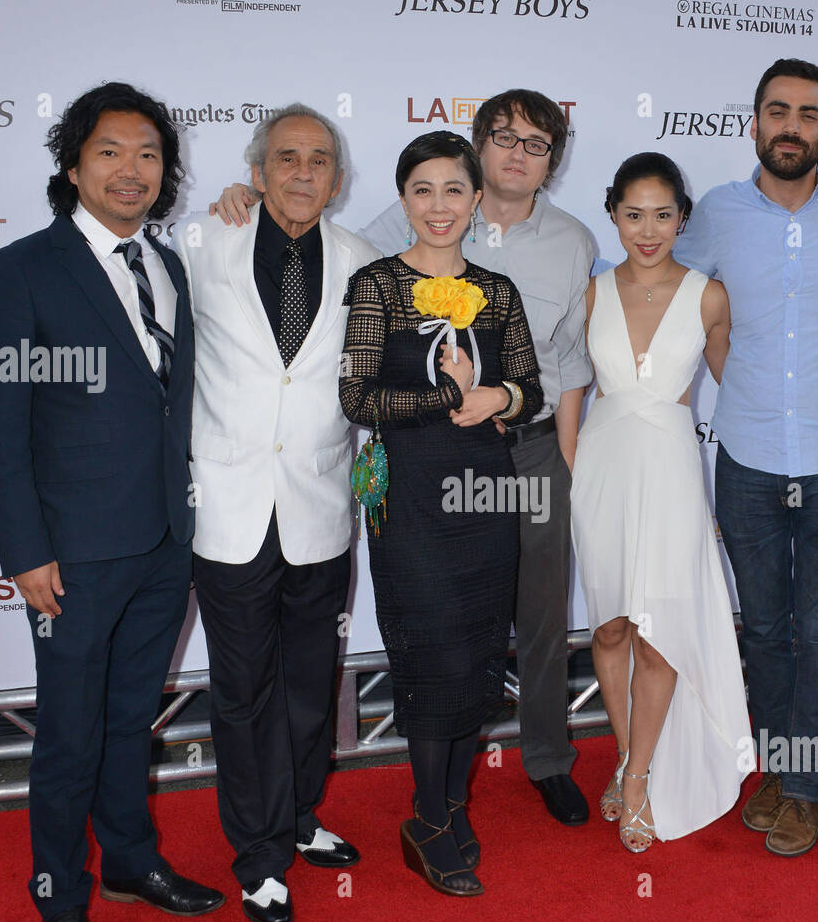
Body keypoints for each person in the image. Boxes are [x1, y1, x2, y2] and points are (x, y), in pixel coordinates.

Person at [213, 90, 595, 827]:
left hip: (528, 453)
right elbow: (312, 232)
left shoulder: (572, 241)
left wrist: (550, 449)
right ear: (478, 148)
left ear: (551, 160)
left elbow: (565, 366)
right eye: (505, 137)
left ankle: (546, 760)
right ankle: (436, 799)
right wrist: (247, 199)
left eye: (537, 143)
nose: (519, 153)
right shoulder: (400, 230)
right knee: (437, 622)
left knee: (538, 615)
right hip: (423, 471)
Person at [0, 82, 223, 922]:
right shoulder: (23, 271)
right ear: (73, 166)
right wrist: (25, 551)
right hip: (71, 551)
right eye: (110, 152)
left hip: (162, 539)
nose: (131, 169)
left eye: (149, 154)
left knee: (128, 717)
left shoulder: (170, 266)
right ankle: (59, 898)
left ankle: (129, 859)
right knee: (70, 732)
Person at [174, 106, 377, 922]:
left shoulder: (366, 261)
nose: (302, 172)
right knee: (242, 689)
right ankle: (259, 855)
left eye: (319, 160)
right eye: (285, 158)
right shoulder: (198, 244)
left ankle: (296, 815)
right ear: (256, 172)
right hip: (227, 508)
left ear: (337, 178)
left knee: (307, 687)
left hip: (322, 506)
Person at [673, 58, 818, 857]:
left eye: (808, 114)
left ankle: (803, 788)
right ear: (753, 123)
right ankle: (775, 768)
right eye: (777, 111)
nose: (791, 126)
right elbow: (648, 274)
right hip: (751, 452)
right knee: (762, 628)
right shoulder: (716, 216)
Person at [339, 131, 543, 896]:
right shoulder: (377, 285)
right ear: (403, 200)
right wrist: (450, 396)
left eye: (454, 190)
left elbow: (529, 387)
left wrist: (501, 397)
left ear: (477, 200)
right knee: (431, 653)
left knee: (481, 648)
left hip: (488, 493)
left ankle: (454, 803)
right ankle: (425, 817)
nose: (438, 206)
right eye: (422, 190)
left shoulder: (498, 290)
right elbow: (357, 397)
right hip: (411, 497)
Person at [573, 153, 750, 852]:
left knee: (659, 631)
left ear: (684, 217)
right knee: (611, 628)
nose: (649, 230)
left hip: (672, 471)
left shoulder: (709, 295)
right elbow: (570, 391)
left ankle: (639, 778)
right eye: (634, 214)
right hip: (602, 471)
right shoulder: (591, 294)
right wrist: (565, 466)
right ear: (613, 213)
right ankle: (624, 755)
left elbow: (740, 385)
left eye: (664, 214)